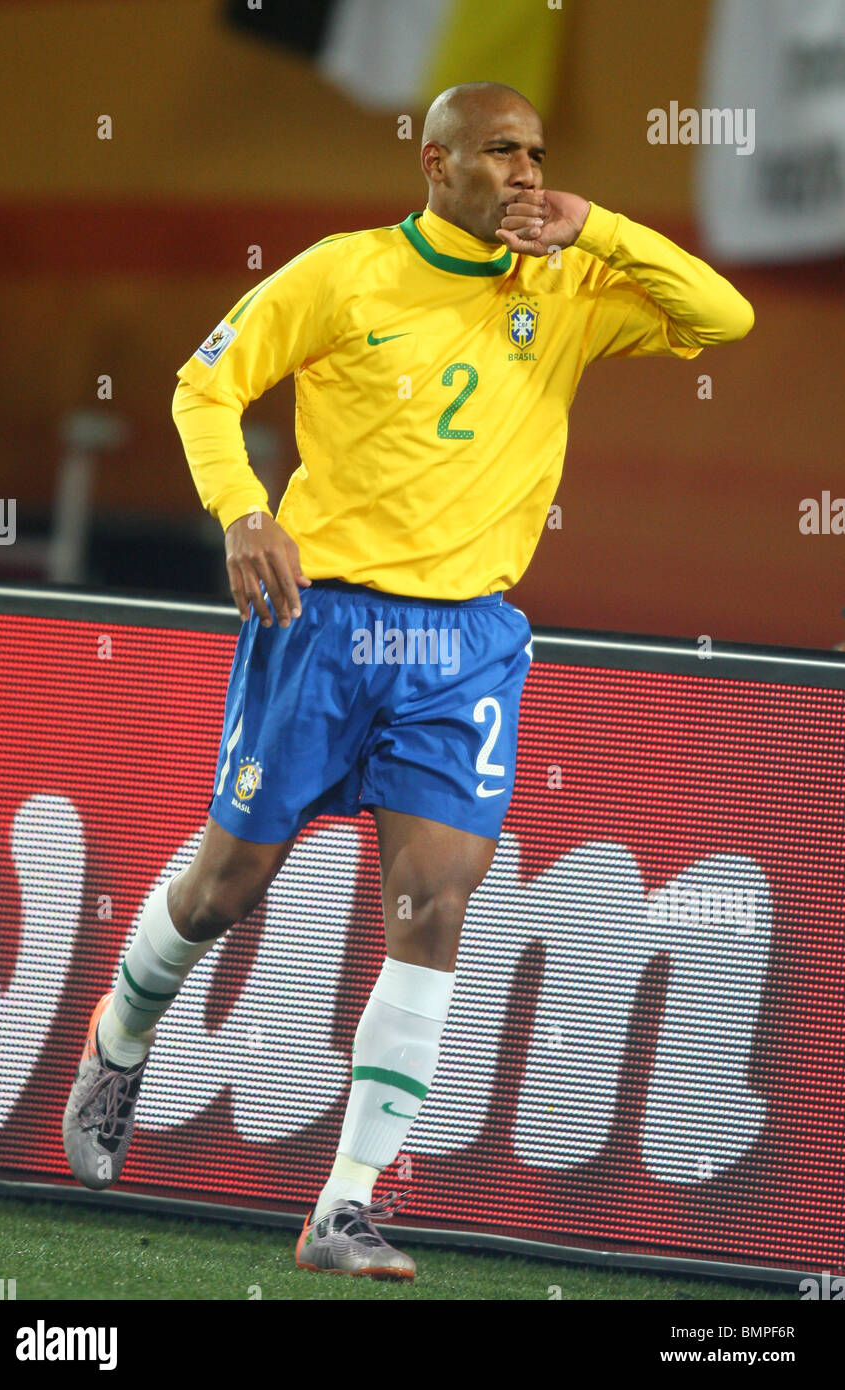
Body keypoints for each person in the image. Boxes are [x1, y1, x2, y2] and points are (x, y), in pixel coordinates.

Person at [62, 81, 754, 1281]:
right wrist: (242, 511)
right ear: (435, 164)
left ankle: (344, 1205)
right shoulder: (345, 273)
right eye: (501, 153)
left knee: (435, 904)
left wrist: (600, 225)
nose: (527, 174)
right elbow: (203, 384)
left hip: (465, 645)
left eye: (538, 154)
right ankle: (122, 1035)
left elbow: (725, 315)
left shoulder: (574, 286)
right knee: (226, 890)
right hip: (322, 623)